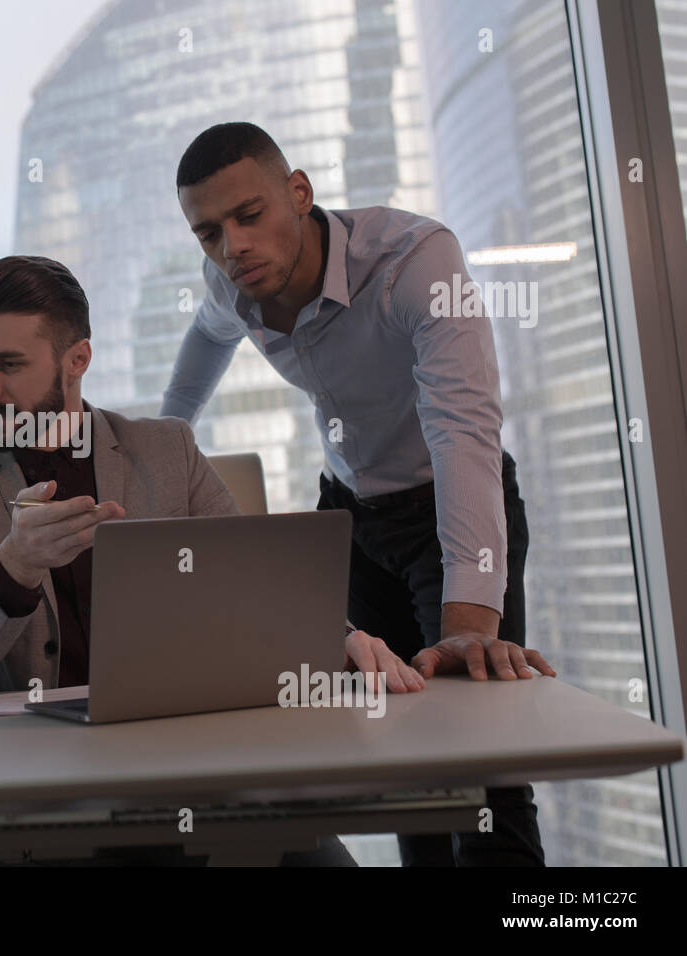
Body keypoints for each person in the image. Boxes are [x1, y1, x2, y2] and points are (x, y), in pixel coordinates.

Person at [0, 255, 426, 866]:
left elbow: (253, 579)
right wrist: (12, 570)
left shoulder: (164, 450)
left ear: (77, 361)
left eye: (8, 365)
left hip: (185, 758)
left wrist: (336, 638)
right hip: (35, 787)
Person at [161, 121, 557, 866]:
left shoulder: (414, 261)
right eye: (208, 232)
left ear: (300, 194)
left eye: (250, 216)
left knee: (486, 770)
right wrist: (162, 442)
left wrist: (470, 622)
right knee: (399, 760)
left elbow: (463, 429)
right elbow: (205, 342)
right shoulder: (231, 282)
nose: (232, 246)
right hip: (348, 515)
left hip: (447, 509)